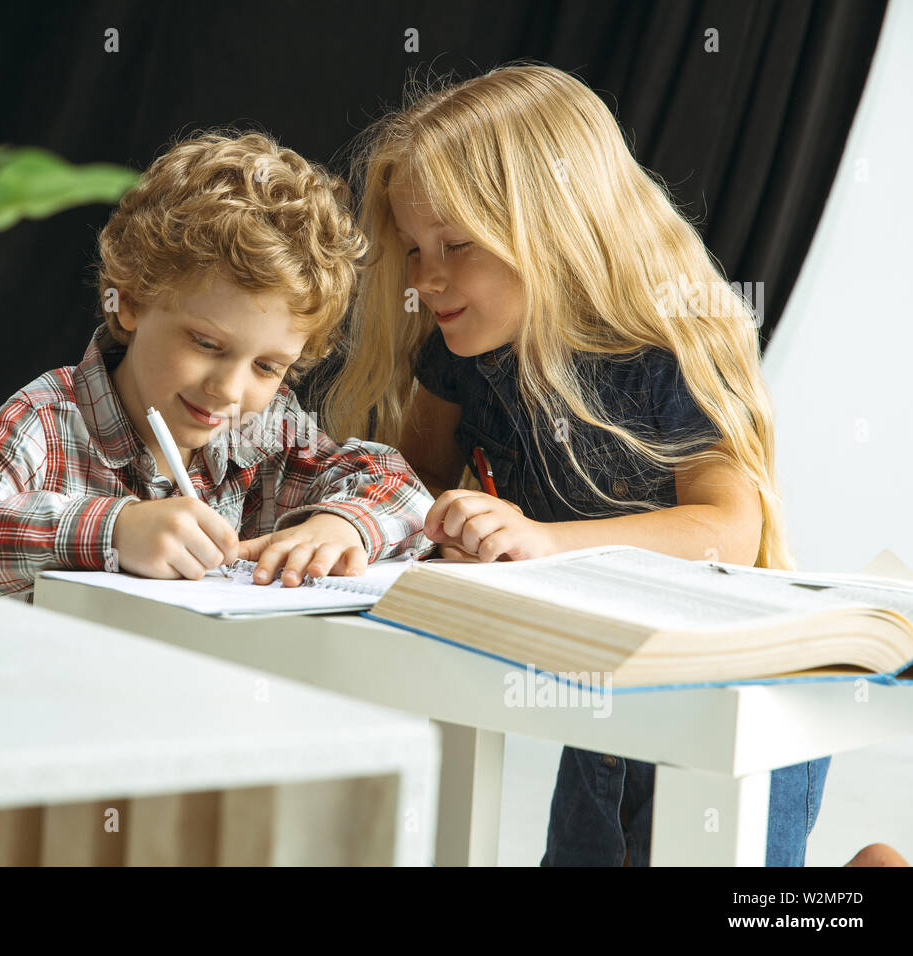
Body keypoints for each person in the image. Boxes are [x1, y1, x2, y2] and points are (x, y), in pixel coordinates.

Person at [321, 63, 828, 866]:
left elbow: (728, 529)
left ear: (554, 225)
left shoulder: (665, 348)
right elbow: (404, 484)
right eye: (415, 249)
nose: (426, 278)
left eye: (456, 245)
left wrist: (542, 542)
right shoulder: (466, 361)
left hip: (734, 688)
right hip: (613, 683)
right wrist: (357, 525)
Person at [0, 131, 432, 602]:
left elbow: (401, 488)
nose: (228, 389)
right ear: (135, 300)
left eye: (267, 366)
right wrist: (110, 531)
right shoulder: (48, 421)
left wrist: (342, 524)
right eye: (205, 343)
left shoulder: (269, 430)